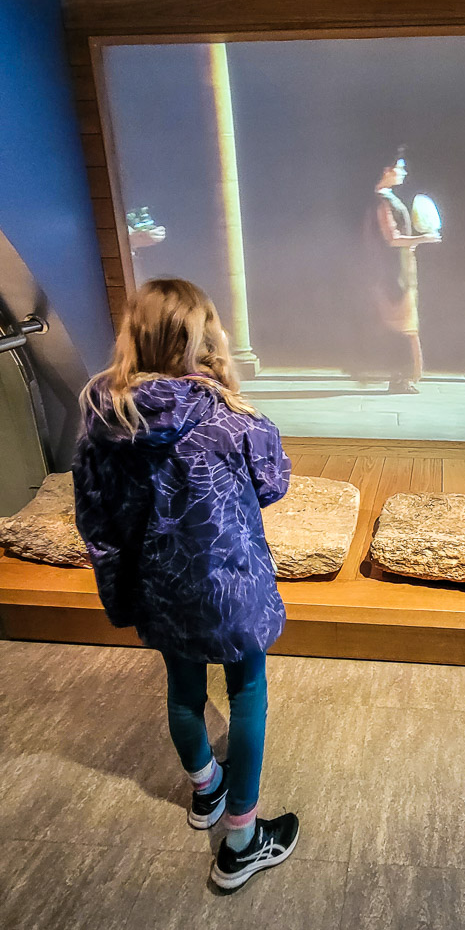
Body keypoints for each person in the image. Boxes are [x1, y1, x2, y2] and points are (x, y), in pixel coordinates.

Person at [72, 277, 298, 892]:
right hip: (233, 588)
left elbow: (94, 516)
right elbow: (273, 484)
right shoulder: (234, 419)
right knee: (247, 693)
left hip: (160, 587)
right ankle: (243, 843)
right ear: (205, 338)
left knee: (182, 691)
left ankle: (206, 789)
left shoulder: (102, 420)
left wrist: (118, 584)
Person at [367, 150, 441, 394]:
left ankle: (403, 377)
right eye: (399, 167)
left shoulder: (388, 198)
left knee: (405, 326)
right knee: (401, 327)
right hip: (392, 274)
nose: (404, 172)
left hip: (400, 270)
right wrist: (423, 239)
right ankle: (400, 377)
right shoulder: (382, 202)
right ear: (386, 170)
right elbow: (392, 238)